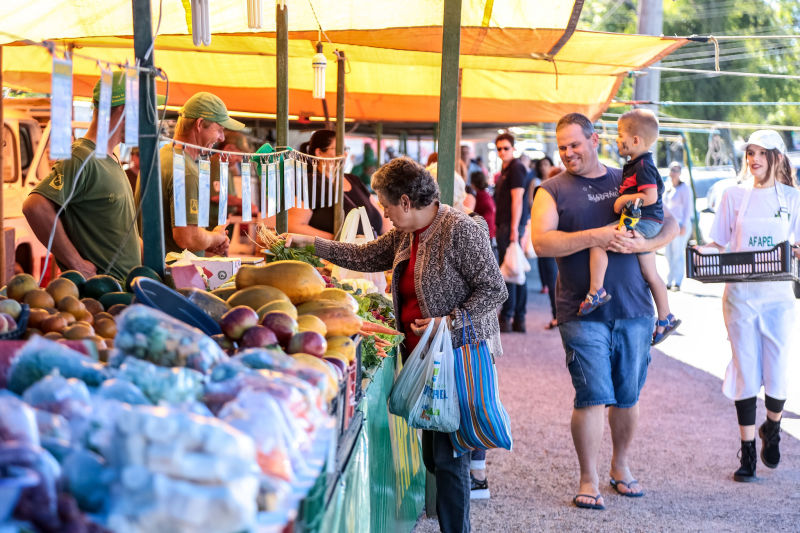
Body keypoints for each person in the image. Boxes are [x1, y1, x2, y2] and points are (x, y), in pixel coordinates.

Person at [284, 157, 507, 532]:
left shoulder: (459, 230)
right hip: (424, 359)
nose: (382, 212)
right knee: (436, 455)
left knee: (449, 457)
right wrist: (309, 243)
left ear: (405, 202)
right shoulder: (407, 231)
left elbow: (494, 289)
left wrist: (449, 321)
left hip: (454, 357)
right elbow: (367, 254)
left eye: (385, 205)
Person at [530, 113, 678, 510]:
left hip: (634, 307)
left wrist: (644, 246)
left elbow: (673, 223)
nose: (568, 153)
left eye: (575, 144)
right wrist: (596, 236)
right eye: (562, 147)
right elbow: (541, 244)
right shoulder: (551, 189)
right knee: (592, 395)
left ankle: (621, 467)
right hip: (581, 309)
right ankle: (588, 478)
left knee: (627, 397)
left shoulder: (629, 175)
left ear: (594, 140)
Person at [699, 129, 800, 482]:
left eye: (760, 153)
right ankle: (747, 456)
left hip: (779, 299)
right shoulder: (733, 195)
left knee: (777, 370)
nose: (753, 159)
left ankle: (771, 429)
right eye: (749, 153)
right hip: (740, 297)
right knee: (745, 370)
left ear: (776, 157)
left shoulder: (792, 198)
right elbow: (718, 241)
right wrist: (701, 251)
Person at [23, 71, 141, 281]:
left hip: (123, 292)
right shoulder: (81, 157)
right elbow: (35, 206)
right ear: (124, 110)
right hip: (100, 296)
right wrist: (76, 263)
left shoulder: (111, 159)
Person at [580, 109, 680, 345]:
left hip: (643, 221)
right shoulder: (638, 163)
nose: (616, 140)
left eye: (619, 134)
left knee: (598, 242)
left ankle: (596, 291)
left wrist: (621, 201)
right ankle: (665, 318)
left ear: (636, 140)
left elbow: (650, 195)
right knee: (650, 273)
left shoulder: (642, 165)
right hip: (649, 222)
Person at [138, 92, 241, 256]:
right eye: (219, 130)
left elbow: (172, 231)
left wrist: (207, 243)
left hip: (153, 268)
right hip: (173, 276)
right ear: (199, 124)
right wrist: (215, 238)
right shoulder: (185, 171)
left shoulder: (160, 157)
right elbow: (187, 238)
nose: (221, 138)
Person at [287, 130, 385, 238]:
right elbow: (294, 226)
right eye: (339, 149)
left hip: (373, 250)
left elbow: (383, 217)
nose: (345, 154)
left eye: (345, 149)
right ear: (319, 153)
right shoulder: (309, 183)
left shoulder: (354, 180)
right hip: (332, 254)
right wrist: (338, 242)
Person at [493, 132, 529, 333]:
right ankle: (513, 317)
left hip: (511, 225)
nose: (502, 152)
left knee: (512, 270)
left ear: (513, 149)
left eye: (506, 148)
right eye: (499, 148)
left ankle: (511, 316)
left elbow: (518, 199)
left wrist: (515, 229)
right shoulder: (506, 168)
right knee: (511, 269)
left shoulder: (516, 168)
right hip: (505, 225)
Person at [663, 161, 693, 291]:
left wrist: (684, 224)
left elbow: (687, 207)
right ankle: (669, 280)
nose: (674, 173)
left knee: (677, 253)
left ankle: (678, 281)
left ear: (680, 173)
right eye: (672, 170)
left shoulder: (684, 188)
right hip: (668, 225)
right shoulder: (668, 187)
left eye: (676, 170)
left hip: (680, 224)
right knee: (668, 253)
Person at [471, 171, 497, 261]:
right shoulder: (486, 194)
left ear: (473, 184)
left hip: (485, 230)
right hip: (490, 229)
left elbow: (475, 213)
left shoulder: (480, 196)